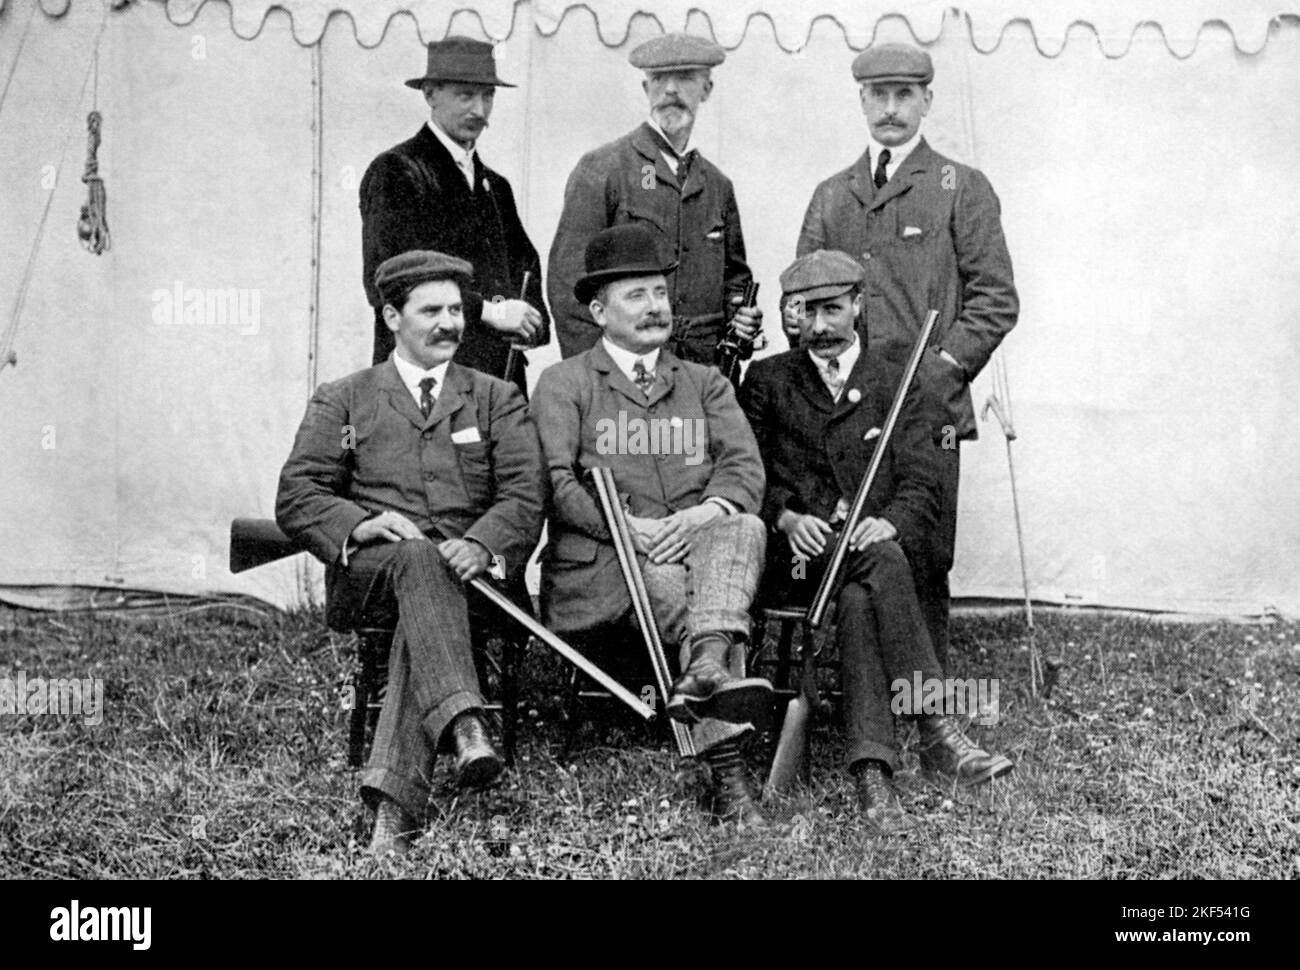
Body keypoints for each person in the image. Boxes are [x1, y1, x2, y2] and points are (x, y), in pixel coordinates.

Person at [276, 250, 546, 854]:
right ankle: (464, 721)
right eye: (432, 310)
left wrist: (482, 542)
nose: (450, 322)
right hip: (372, 574)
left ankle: (394, 811)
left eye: (456, 309)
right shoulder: (345, 399)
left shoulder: (495, 398)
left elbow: (528, 492)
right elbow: (297, 493)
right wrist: (362, 524)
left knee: (424, 593)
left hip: (475, 580)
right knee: (420, 560)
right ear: (392, 317)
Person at [740, 250, 1013, 823]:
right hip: (800, 561)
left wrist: (892, 519)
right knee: (878, 569)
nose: (818, 326)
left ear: (858, 306)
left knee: (869, 586)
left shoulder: (902, 373)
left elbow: (923, 477)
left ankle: (873, 775)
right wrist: (788, 516)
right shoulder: (767, 380)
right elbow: (749, 471)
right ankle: (936, 727)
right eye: (806, 312)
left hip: (874, 549)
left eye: (832, 310)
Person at [532, 225, 774, 828]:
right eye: (636, 295)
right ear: (597, 310)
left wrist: (701, 516)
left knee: (744, 527)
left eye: (660, 293)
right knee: (693, 599)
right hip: (612, 568)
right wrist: (628, 531)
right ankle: (731, 773)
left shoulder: (704, 381)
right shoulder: (565, 384)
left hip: (704, 557)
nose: (655, 307)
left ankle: (707, 664)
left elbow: (744, 468)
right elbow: (556, 485)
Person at [795, 42, 1018, 667]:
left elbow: (996, 299)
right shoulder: (830, 195)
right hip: (849, 408)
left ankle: (925, 693)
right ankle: (854, 685)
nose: (891, 109)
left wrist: (942, 369)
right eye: (878, 95)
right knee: (851, 540)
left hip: (930, 409)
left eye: (905, 95)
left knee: (923, 545)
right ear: (861, 100)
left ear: (927, 100)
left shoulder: (961, 186)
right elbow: (801, 298)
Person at [547, 32, 761, 371]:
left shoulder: (718, 186)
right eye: (659, 78)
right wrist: (598, 376)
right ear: (646, 90)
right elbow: (568, 288)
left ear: (707, 89)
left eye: (685, 78)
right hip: (624, 375)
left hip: (701, 377)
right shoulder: (604, 169)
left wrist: (742, 320)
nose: (671, 90)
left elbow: (735, 279)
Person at [360, 37, 548, 394]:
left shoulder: (496, 186)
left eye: (488, 96)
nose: (479, 110)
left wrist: (531, 319)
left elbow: (526, 263)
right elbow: (386, 281)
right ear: (431, 94)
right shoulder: (397, 171)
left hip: (498, 382)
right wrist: (492, 312)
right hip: (425, 382)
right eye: (466, 95)